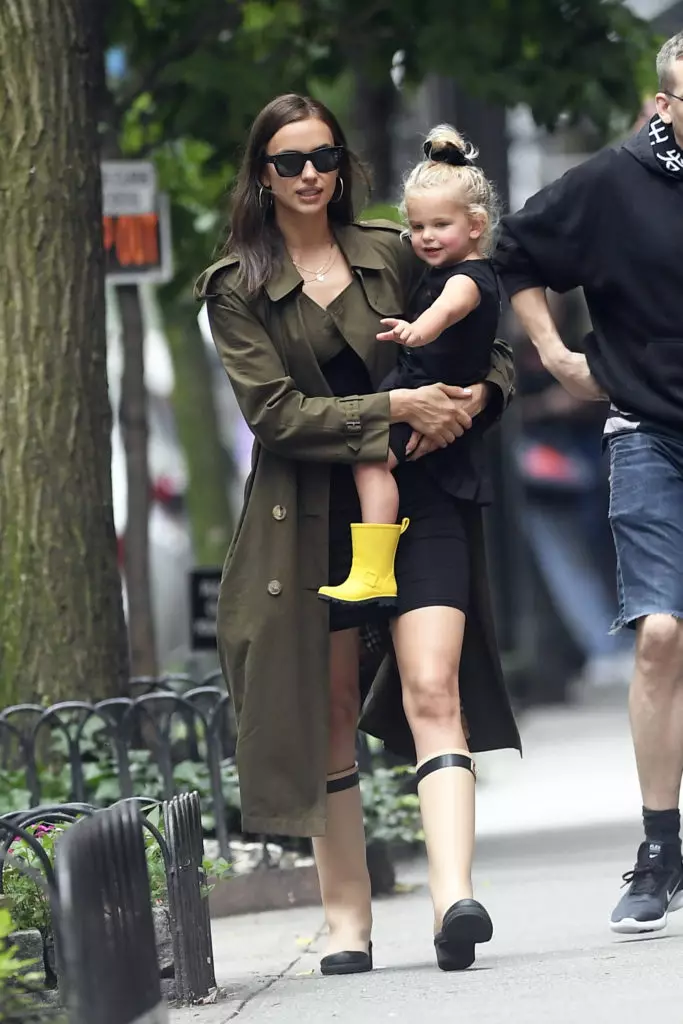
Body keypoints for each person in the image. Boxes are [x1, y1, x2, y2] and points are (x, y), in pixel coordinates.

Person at [195, 93, 521, 976]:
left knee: (432, 686)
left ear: (344, 164)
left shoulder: (395, 246)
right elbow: (275, 414)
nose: (310, 175)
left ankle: (456, 898)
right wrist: (393, 406)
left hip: (425, 497)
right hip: (308, 519)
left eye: (324, 157)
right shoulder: (235, 287)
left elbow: (484, 342)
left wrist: (471, 403)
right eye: (290, 161)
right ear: (261, 175)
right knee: (332, 710)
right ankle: (347, 920)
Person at [494, 31, 683, 935]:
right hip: (648, 430)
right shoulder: (610, 184)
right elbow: (513, 252)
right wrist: (555, 354)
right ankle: (659, 847)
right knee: (658, 636)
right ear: (662, 105)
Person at [317, 124, 502, 610]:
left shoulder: (468, 278)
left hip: (427, 390)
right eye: (417, 227)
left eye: (441, 226)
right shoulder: (444, 269)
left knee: (370, 458)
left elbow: (450, 307)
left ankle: (373, 568)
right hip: (415, 386)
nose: (425, 238)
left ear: (476, 225)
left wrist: (417, 331)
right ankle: (374, 566)